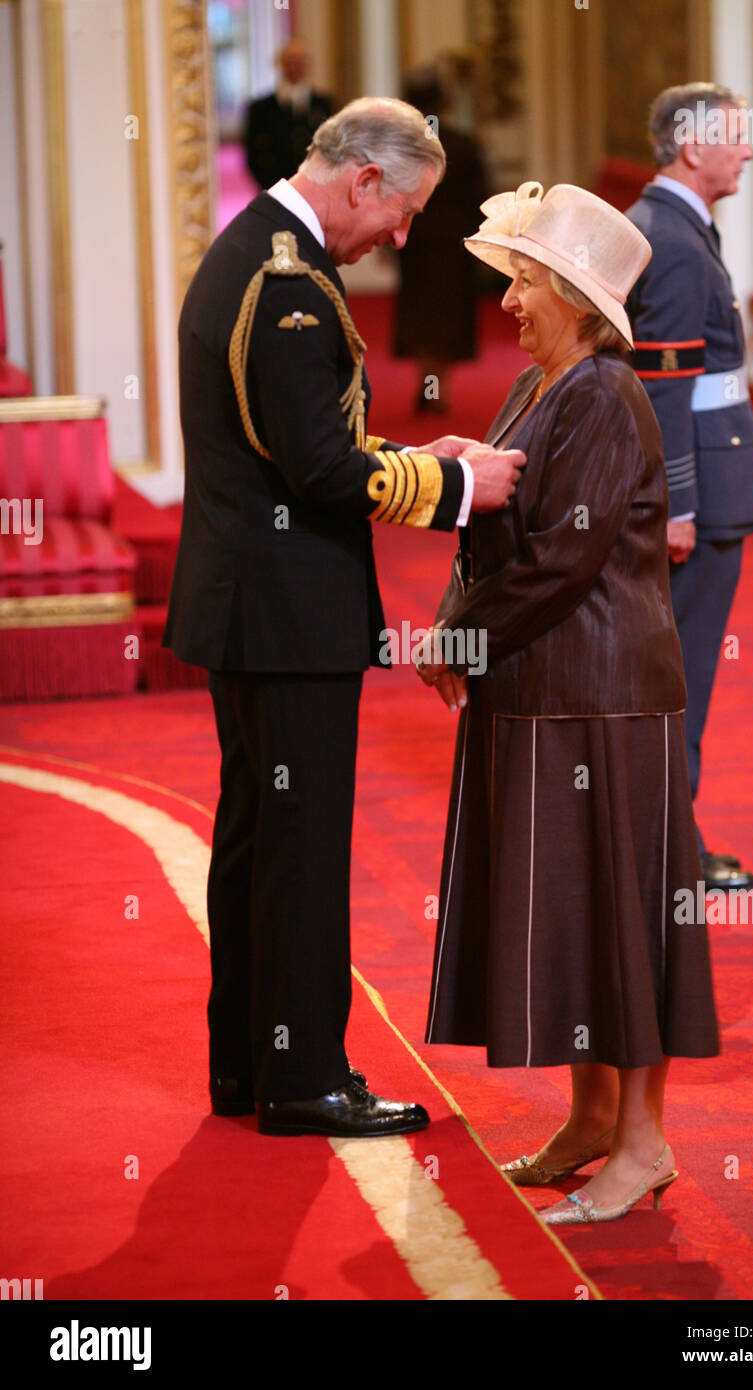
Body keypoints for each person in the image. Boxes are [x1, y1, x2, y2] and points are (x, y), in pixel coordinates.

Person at [163, 98, 526, 1139]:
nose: (402, 237)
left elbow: (309, 441)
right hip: (283, 611)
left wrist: (427, 458)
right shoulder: (287, 281)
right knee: (301, 848)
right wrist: (457, 492)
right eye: (405, 212)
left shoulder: (267, 254)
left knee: (259, 840)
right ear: (362, 179)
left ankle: (248, 1065)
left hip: (256, 603)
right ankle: (306, 1077)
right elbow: (321, 467)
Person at [417, 182, 719, 1224]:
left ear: (582, 302)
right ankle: (593, 1121)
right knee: (578, 914)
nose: (507, 300)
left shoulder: (599, 393)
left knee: (622, 922)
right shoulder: (539, 385)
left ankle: (643, 1143)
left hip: (600, 697)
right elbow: (493, 522)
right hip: (544, 690)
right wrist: (460, 613)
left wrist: (458, 636)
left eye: (526, 281)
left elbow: (562, 563)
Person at [626, 83, 753, 892]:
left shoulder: (668, 224)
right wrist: (677, 505)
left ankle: (664, 840)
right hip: (701, 491)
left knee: (679, 669)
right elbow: (663, 385)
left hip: (710, 478)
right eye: (737, 138)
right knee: (681, 673)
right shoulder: (674, 239)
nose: (749, 150)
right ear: (692, 147)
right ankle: (664, 855)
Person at [393, 66, 489, 413]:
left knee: (421, 312)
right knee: (447, 315)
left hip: (415, 240)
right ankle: (437, 389)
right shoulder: (463, 144)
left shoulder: (403, 149)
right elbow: (481, 196)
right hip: (453, 243)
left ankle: (427, 382)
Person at [244, 39, 333, 189]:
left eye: (300, 61)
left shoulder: (323, 104)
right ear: (280, 64)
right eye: (290, 61)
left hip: (315, 185)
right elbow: (253, 154)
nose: (295, 66)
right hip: (275, 186)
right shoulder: (260, 108)